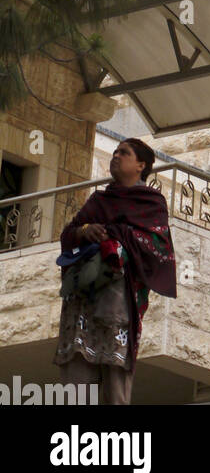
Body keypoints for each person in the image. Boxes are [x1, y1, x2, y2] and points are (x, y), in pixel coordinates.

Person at [54, 138, 177, 405]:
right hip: (84, 301)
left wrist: (116, 237)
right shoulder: (99, 200)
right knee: (76, 380)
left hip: (119, 302)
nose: (116, 155)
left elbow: (160, 249)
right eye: (115, 151)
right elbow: (67, 236)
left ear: (141, 165)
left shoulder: (151, 204)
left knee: (116, 384)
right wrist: (86, 231)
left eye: (124, 153)